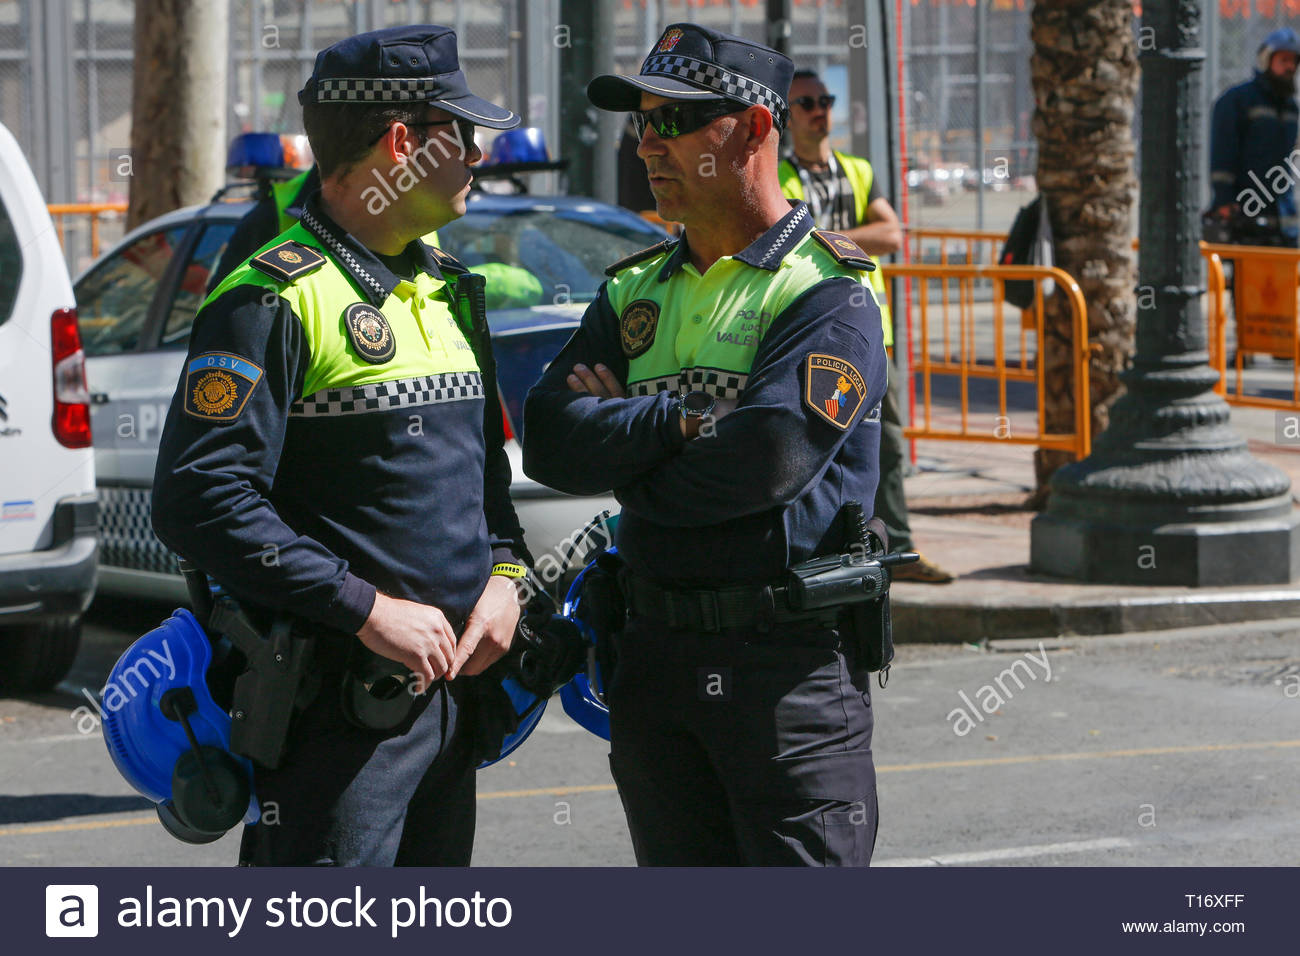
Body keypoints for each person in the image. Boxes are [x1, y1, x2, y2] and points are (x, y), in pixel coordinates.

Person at [151, 25, 530, 867]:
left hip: (450, 715)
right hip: (332, 722)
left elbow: (487, 494)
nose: (476, 155)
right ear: (401, 144)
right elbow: (198, 498)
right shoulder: (272, 297)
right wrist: (367, 609)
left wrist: (505, 582)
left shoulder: (447, 287)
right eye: (460, 134)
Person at [523, 23, 887, 866]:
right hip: (651, 665)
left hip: (786, 679)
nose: (648, 144)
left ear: (757, 129)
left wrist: (626, 459)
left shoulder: (829, 294)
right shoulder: (633, 288)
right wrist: (681, 424)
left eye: (675, 122)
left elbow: (764, 464)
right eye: (641, 123)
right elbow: (546, 438)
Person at [780, 69, 954, 584]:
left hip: (872, 334)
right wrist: (852, 239)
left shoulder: (856, 170)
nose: (820, 110)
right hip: (808, 333)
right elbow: (789, 239)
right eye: (807, 102)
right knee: (816, 443)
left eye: (826, 100)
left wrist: (828, 237)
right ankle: (829, 554)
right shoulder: (781, 175)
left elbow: (892, 232)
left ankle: (898, 549)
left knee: (889, 445)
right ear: (788, 117)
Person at [1208, 28, 1300, 246]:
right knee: (1242, 278)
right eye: (1283, 59)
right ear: (1266, 60)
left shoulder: (1291, 109)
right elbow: (1223, 153)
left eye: (1294, 61)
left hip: (1281, 222)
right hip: (1243, 217)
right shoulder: (1239, 100)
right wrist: (1224, 200)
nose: (1290, 67)